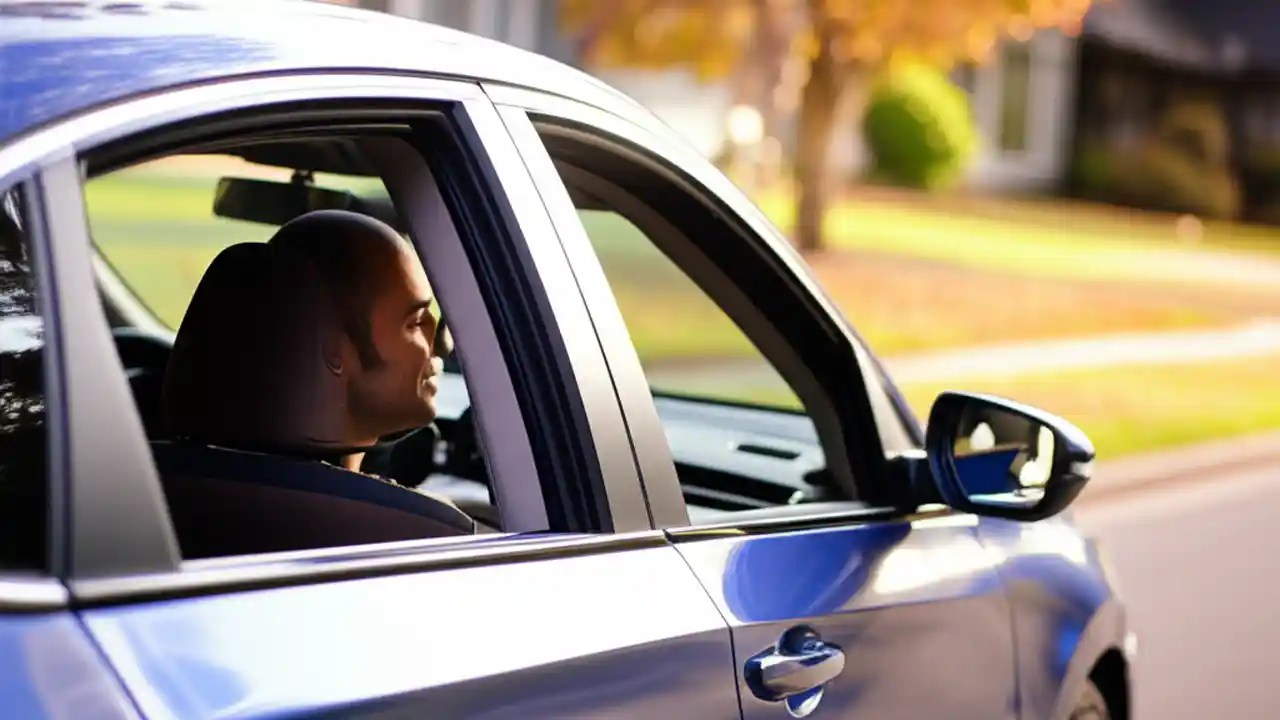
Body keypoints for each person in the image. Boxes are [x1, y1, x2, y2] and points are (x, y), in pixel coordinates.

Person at [266, 210, 451, 474]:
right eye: (416, 320)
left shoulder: (193, 490)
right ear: (334, 353)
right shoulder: (398, 515)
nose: (440, 340)